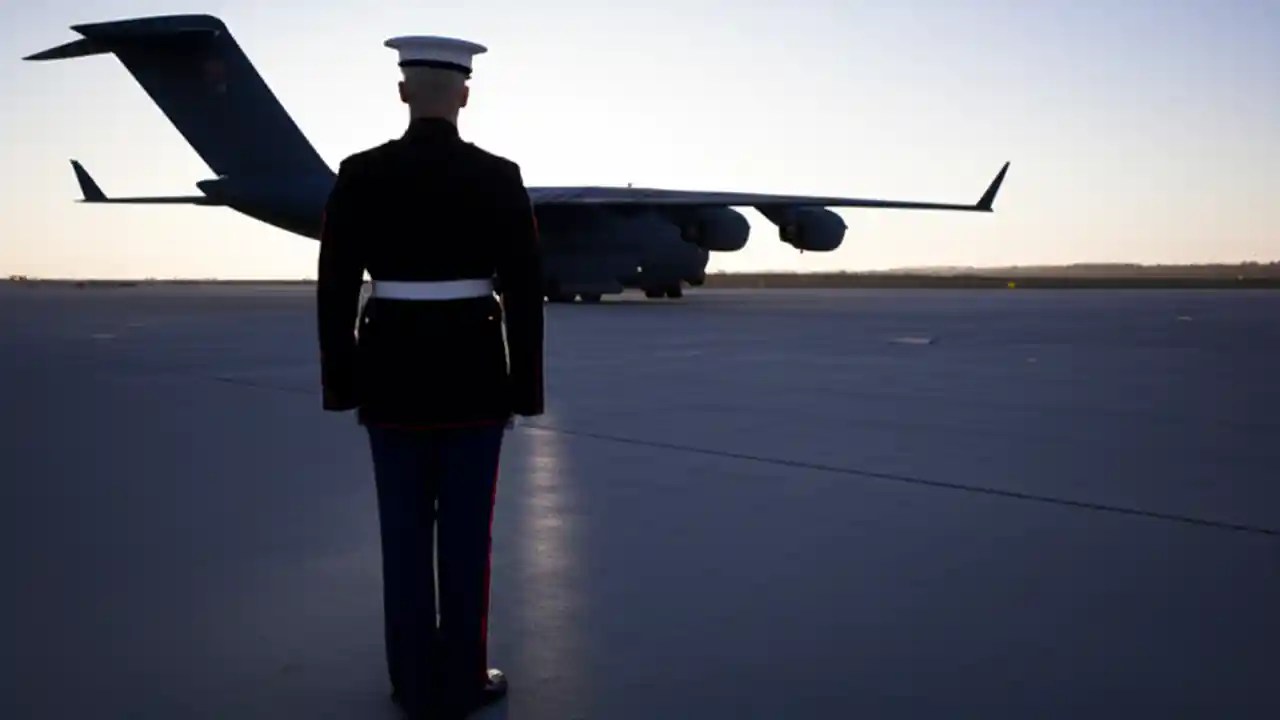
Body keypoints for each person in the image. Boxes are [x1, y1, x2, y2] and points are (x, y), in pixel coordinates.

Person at [315, 33, 544, 720]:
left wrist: (343, 384)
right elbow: (526, 291)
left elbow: (334, 287)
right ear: (465, 95)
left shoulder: (359, 173)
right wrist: (523, 389)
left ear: (404, 92)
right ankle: (465, 679)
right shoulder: (500, 177)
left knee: (404, 535)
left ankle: (412, 680)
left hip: (391, 376)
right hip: (474, 376)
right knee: (468, 537)